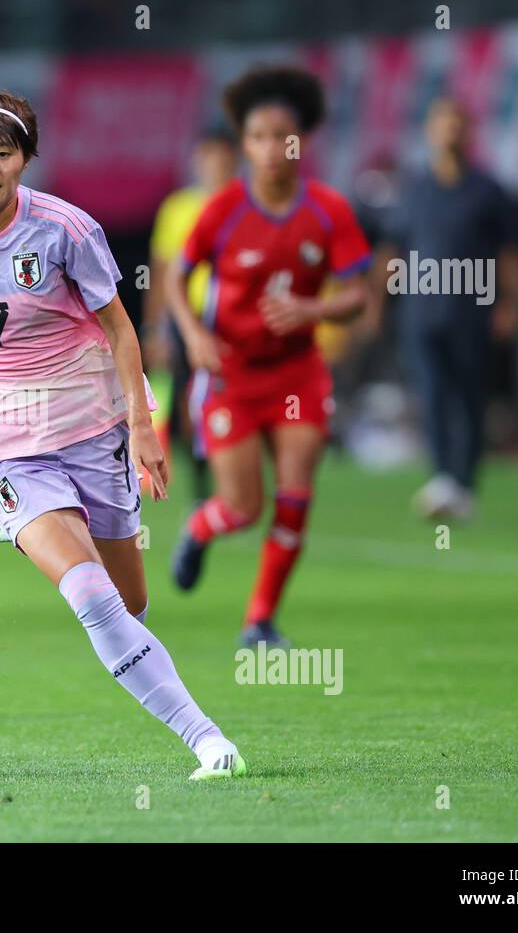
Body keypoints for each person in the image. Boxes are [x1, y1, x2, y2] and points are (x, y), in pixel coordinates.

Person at [0, 89, 245, 779]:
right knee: (95, 603)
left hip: (93, 427)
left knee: (131, 602)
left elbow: (120, 328)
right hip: (4, 445)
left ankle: (13, 525)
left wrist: (143, 424)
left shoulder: (66, 230)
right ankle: (210, 742)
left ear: (24, 160)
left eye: (3, 151)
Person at [165, 66, 372, 648]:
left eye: (282, 135)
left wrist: (313, 310)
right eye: (257, 137)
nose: (270, 148)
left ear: (299, 142)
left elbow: (359, 294)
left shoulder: (329, 210)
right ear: (245, 146)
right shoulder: (223, 209)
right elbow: (178, 279)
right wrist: (193, 335)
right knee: (242, 506)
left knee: (296, 496)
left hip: (298, 374)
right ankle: (201, 525)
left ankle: (259, 620)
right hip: (231, 374)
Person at [380, 97, 518, 520]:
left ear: (469, 132)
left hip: (471, 307)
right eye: (443, 125)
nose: (450, 134)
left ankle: (465, 479)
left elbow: (510, 254)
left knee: (469, 395)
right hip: (421, 308)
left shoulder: (488, 191)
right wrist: (379, 294)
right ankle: (443, 476)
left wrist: (508, 303)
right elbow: (395, 247)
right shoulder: (415, 189)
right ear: (429, 132)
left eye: (458, 125)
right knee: (432, 393)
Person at [146, 128, 240, 501]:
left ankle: (238, 475)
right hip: (191, 319)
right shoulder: (179, 207)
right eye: (207, 156)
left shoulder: (246, 204)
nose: (213, 164)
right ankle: (202, 480)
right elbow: (162, 269)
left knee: (237, 399)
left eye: (220, 156)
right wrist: (155, 328)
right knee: (192, 401)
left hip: (237, 319)